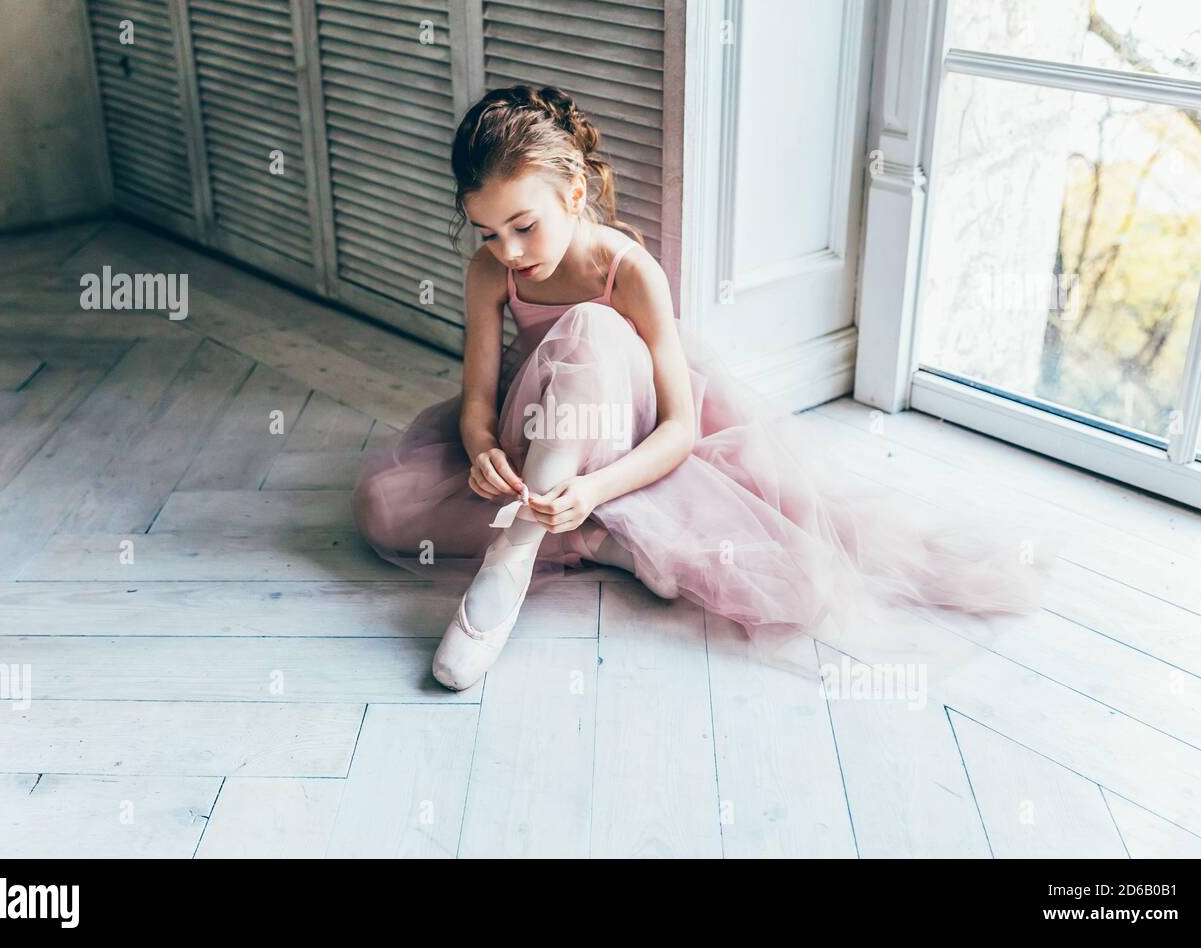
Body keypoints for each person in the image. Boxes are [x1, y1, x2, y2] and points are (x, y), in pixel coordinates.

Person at [352, 83, 1061, 691]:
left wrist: (595, 488)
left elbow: (679, 429)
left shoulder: (628, 272)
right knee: (384, 508)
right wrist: (480, 449)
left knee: (591, 333)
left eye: (523, 227)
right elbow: (477, 398)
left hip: (616, 438)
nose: (507, 250)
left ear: (573, 193)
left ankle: (513, 558)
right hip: (534, 433)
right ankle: (595, 542)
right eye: (486, 233)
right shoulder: (492, 273)